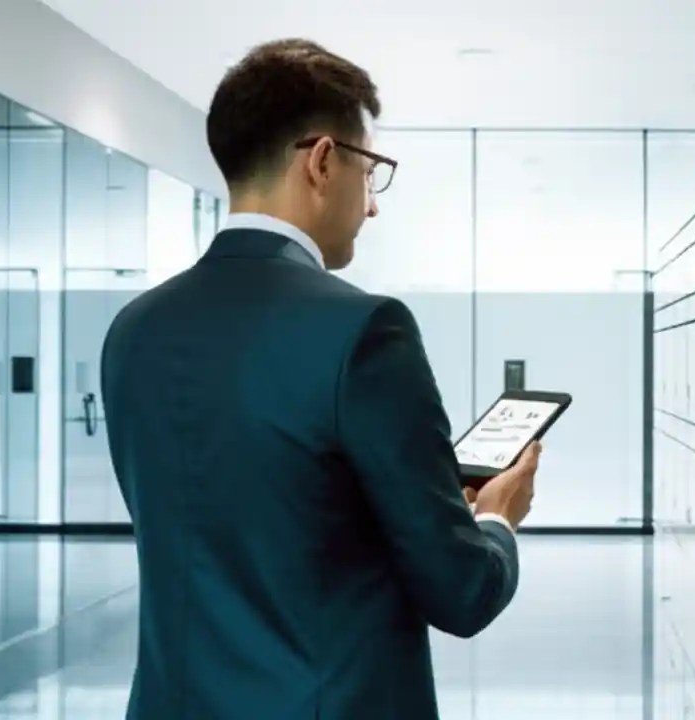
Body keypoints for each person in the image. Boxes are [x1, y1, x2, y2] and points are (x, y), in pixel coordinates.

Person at [100, 38, 537, 719]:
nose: (373, 205)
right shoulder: (366, 329)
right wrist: (495, 520)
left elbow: (253, 515)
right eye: (372, 171)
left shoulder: (134, 329)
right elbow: (461, 592)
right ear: (324, 160)